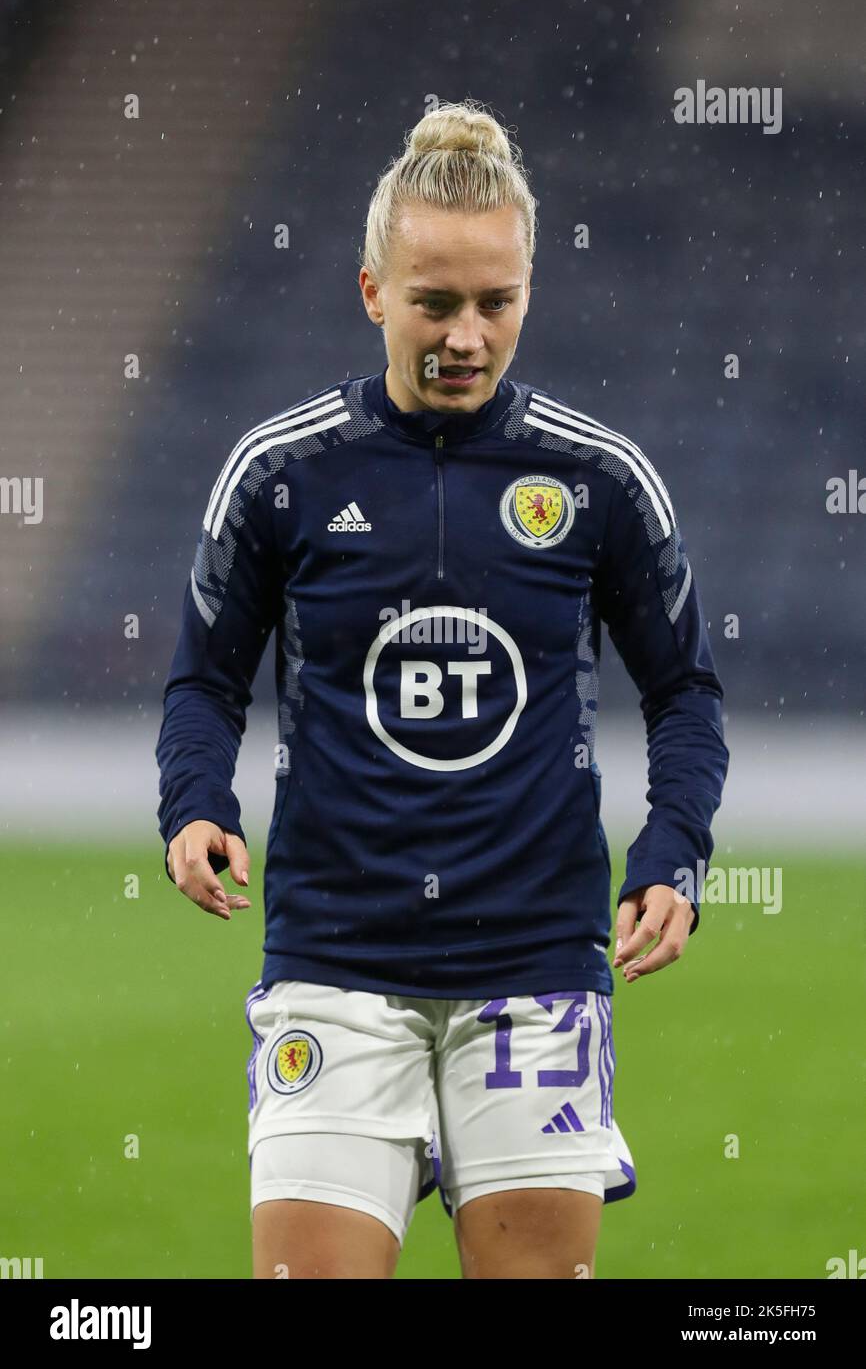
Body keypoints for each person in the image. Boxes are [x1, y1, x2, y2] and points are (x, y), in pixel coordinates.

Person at [155, 98, 729, 1280]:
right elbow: (203, 680)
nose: (465, 334)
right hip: (334, 954)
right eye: (433, 304)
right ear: (373, 292)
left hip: (533, 969)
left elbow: (682, 693)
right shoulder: (281, 472)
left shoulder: (596, 478)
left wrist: (672, 850)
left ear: (527, 290)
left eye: (494, 303)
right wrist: (193, 803)